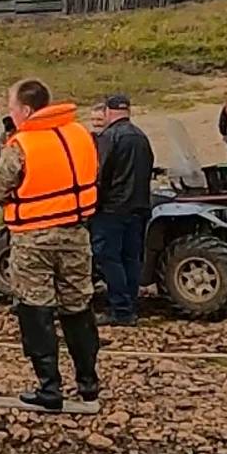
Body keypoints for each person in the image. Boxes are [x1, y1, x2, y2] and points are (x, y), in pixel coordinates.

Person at [0, 79, 104, 413]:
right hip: (75, 233)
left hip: (33, 238)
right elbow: (93, 172)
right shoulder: (80, 134)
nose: (11, 113)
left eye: (11, 107)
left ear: (24, 110)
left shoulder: (21, 144)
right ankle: (88, 383)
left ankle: (50, 387)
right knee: (78, 305)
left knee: (35, 308)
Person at [90, 94, 155, 326]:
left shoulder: (110, 137)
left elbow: (100, 174)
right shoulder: (141, 137)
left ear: (108, 111)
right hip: (139, 205)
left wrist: (92, 203)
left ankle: (120, 308)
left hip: (112, 208)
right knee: (131, 258)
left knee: (109, 257)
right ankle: (130, 306)